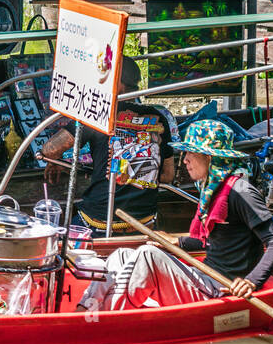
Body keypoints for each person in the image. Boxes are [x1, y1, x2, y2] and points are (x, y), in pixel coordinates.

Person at [78, 119, 273, 311]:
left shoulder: (241, 191)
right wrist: (178, 242)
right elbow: (214, 241)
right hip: (205, 275)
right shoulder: (213, 189)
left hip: (220, 287)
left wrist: (251, 281)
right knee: (120, 254)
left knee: (147, 256)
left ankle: (104, 317)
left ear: (208, 157)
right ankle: (86, 308)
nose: (185, 160)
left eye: (190, 154)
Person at [39, 56, 175, 237]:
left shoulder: (99, 113)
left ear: (117, 83)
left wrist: (53, 160)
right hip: (144, 222)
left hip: (100, 221)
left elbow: (50, 149)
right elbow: (167, 176)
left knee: (58, 241)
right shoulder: (159, 117)